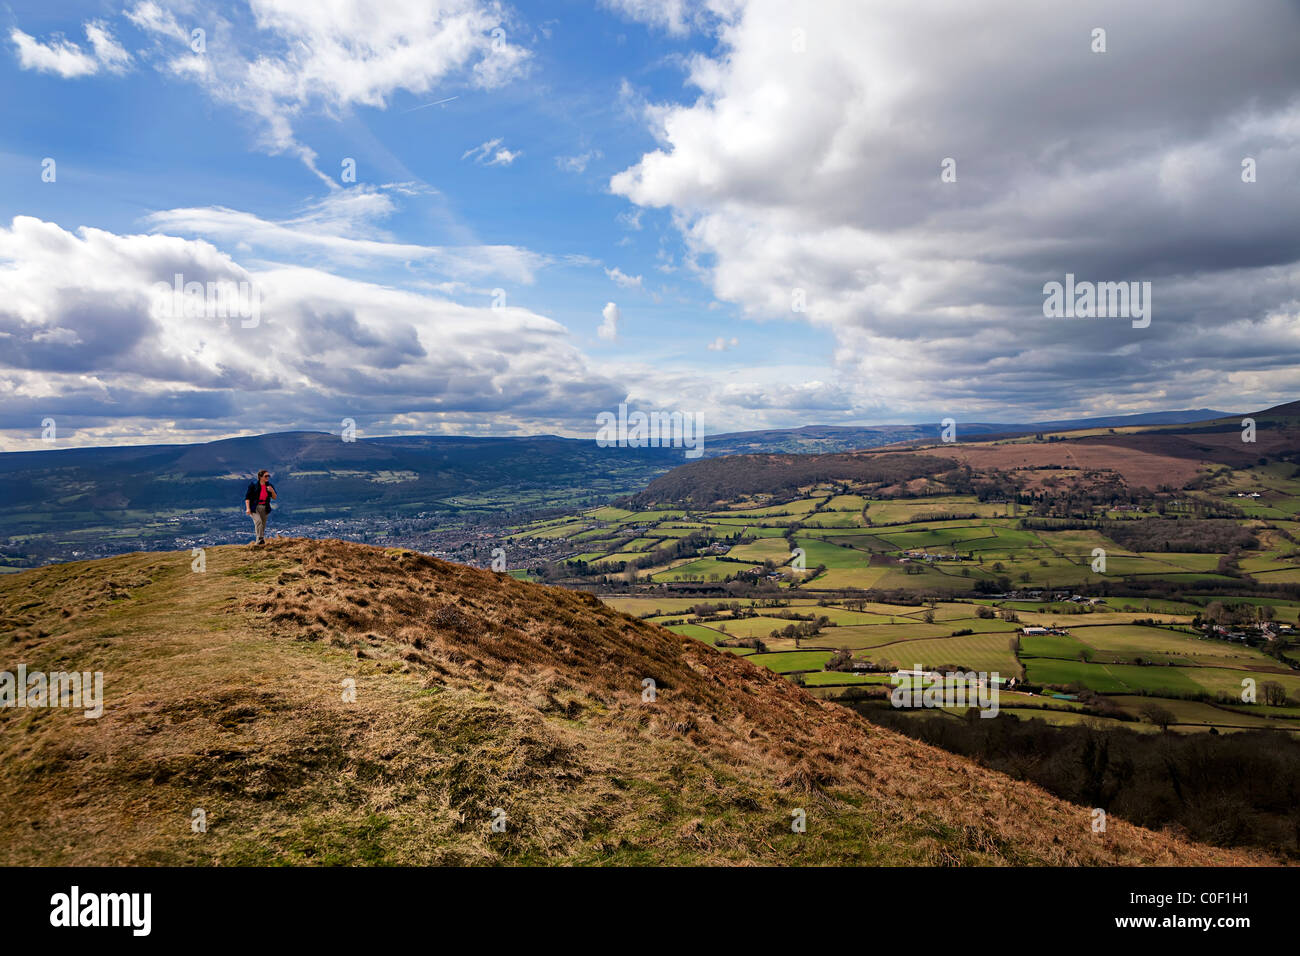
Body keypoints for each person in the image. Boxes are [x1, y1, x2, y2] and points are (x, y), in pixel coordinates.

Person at [244, 469, 277, 545]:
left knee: (262, 525)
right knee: (258, 522)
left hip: (265, 507)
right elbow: (247, 498)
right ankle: (260, 539)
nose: (267, 477)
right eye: (266, 476)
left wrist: (272, 491)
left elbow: (274, 497)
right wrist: (248, 508)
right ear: (260, 477)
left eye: (268, 476)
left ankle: (258, 543)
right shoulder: (253, 485)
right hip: (254, 507)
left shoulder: (269, 486)